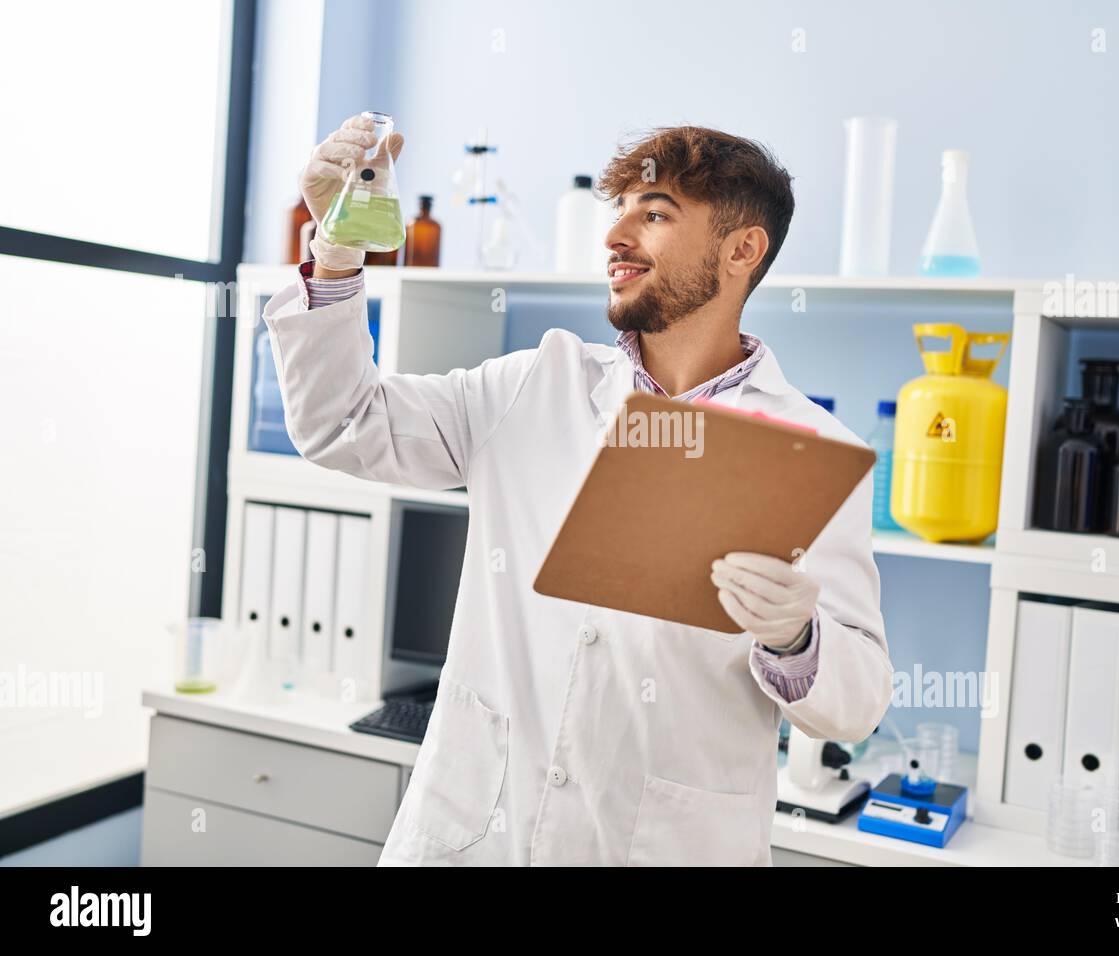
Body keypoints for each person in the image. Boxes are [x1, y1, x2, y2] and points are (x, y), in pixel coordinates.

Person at [262, 115, 893, 866]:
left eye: (653, 213)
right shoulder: (534, 384)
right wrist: (333, 255)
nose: (615, 237)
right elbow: (343, 423)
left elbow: (856, 705)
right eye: (618, 210)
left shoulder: (814, 453)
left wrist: (797, 638)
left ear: (742, 249)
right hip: (476, 836)